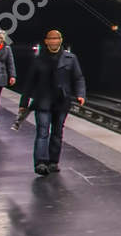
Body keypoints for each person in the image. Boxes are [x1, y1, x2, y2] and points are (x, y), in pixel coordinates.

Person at [18, 29, 86, 175]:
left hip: (62, 101)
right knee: (42, 131)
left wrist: (80, 94)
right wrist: (23, 103)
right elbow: (30, 82)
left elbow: (78, 78)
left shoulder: (70, 59)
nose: (54, 41)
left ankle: (53, 161)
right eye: (51, 39)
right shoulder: (38, 60)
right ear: (46, 41)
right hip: (42, 100)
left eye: (57, 38)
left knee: (57, 132)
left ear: (61, 40)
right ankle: (40, 162)